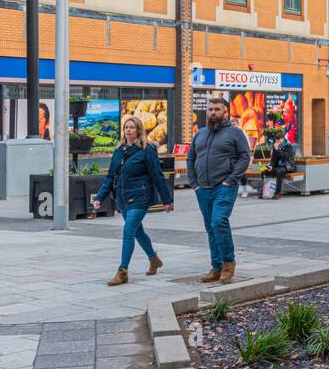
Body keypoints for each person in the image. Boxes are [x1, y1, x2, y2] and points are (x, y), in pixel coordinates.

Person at [93, 115, 173, 286]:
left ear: (138, 130)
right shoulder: (119, 150)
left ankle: (123, 272)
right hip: (122, 197)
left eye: (132, 127)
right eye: (126, 127)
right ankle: (154, 259)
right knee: (138, 232)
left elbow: (157, 175)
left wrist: (167, 200)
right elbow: (110, 176)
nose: (128, 130)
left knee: (128, 230)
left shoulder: (147, 150)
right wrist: (100, 197)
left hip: (140, 197)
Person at [186, 95, 251, 282]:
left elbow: (244, 157)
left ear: (225, 112)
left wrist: (230, 180)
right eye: (210, 109)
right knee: (210, 228)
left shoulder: (235, 133)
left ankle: (229, 263)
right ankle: (216, 266)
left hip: (224, 186)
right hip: (203, 189)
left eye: (217, 110)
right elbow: (191, 158)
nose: (213, 113)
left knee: (218, 221)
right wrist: (194, 183)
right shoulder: (200, 133)